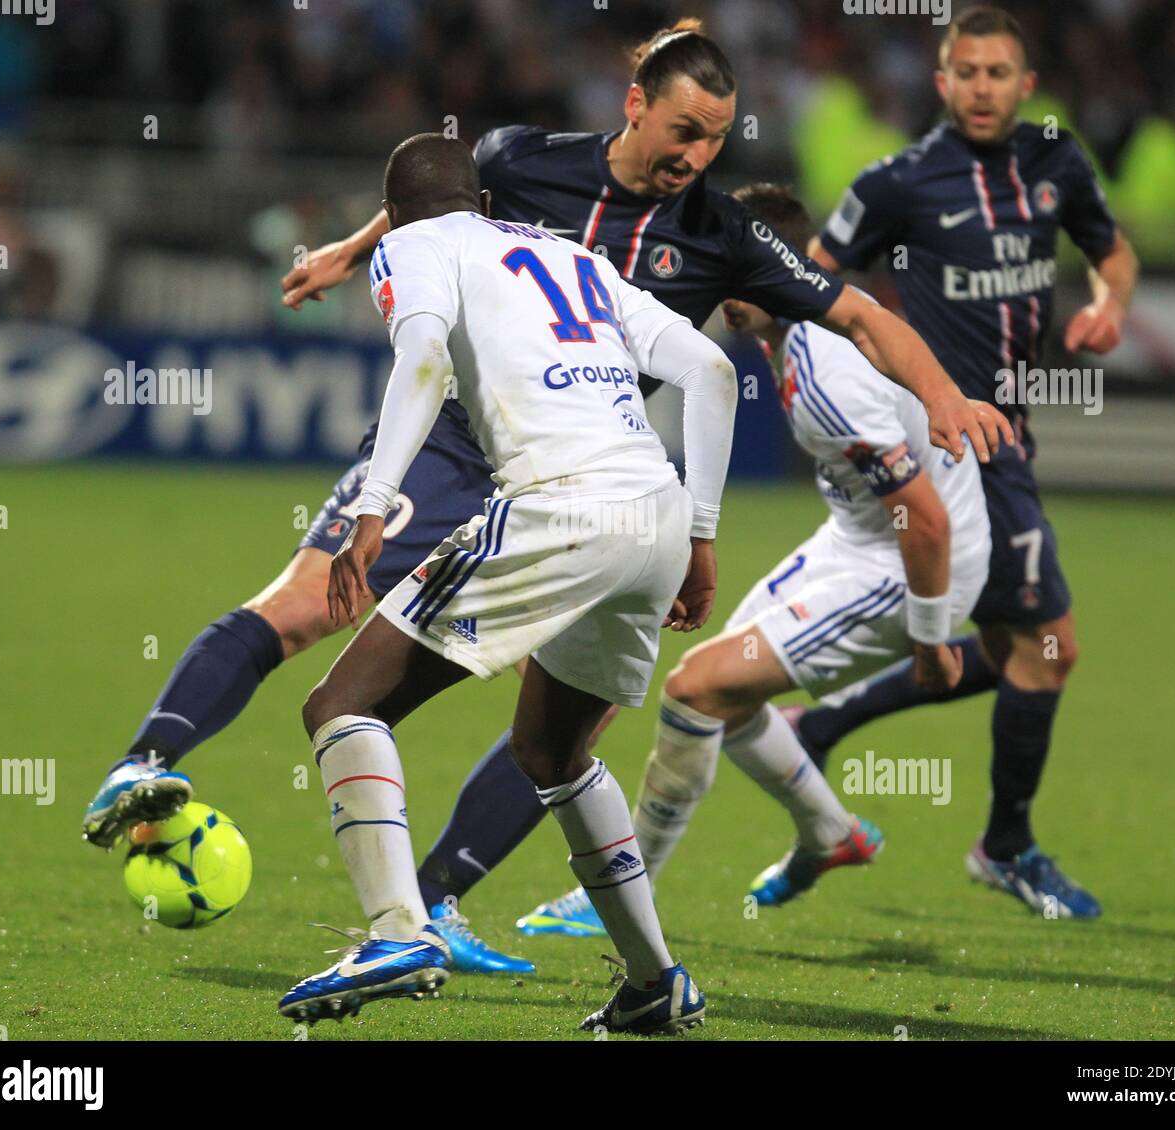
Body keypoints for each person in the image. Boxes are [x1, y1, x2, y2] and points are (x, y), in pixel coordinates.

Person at [83, 19, 1010, 961]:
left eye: (719, 138)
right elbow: (429, 201)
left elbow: (854, 312)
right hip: (456, 445)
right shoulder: (522, 160)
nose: (699, 156)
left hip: (584, 473)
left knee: (568, 718)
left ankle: (435, 904)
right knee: (305, 606)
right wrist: (351, 250)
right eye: (685, 130)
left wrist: (939, 394)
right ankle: (144, 763)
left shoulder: (724, 233)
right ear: (635, 104)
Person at [276, 133, 736, 1034]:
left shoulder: (413, 244)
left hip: (559, 506)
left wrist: (375, 504)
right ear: (482, 204)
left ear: (395, 216)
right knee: (555, 756)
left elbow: (421, 359)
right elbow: (711, 370)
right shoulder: (573, 256)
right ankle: (656, 984)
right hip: (653, 512)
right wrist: (702, 533)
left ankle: (398, 929)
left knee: (341, 705)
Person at [527, 182, 993, 916]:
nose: (728, 295)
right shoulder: (795, 343)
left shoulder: (830, 373)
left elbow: (925, 520)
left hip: (912, 565)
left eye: (743, 276)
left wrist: (931, 643)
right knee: (730, 692)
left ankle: (618, 893)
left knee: (697, 689)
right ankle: (830, 831)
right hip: (858, 539)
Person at [780, 6, 1138, 919]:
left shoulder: (1057, 163)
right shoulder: (897, 180)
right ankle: (1006, 846)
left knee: (1010, 648)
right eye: (966, 72)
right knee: (1049, 650)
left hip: (1012, 432)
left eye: (999, 72)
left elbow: (1115, 252)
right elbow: (814, 282)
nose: (982, 87)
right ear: (943, 83)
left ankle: (816, 725)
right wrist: (855, 404)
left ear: (1026, 84)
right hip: (953, 440)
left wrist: (1108, 304)